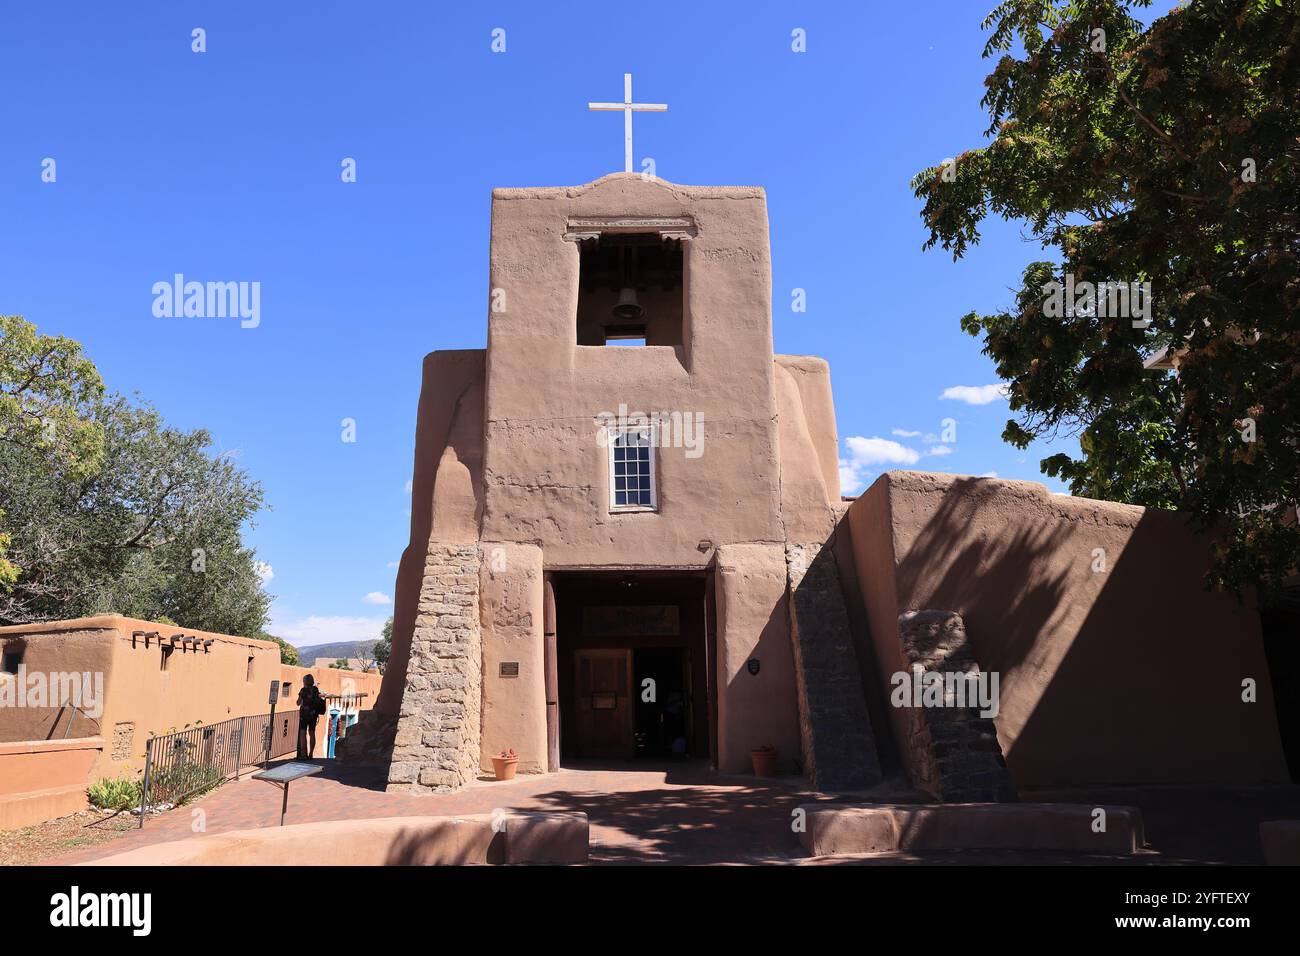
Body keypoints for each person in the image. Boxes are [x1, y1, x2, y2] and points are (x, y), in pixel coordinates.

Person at [296, 674, 325, 759]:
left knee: (303, 733)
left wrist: (300, 701)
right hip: (313, 714)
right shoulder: (315, 689)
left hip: (304, 715)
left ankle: (303, 754)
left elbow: (298, 702)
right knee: (312, 733)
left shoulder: (303, 690)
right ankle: (311, 753)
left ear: (304, 681)